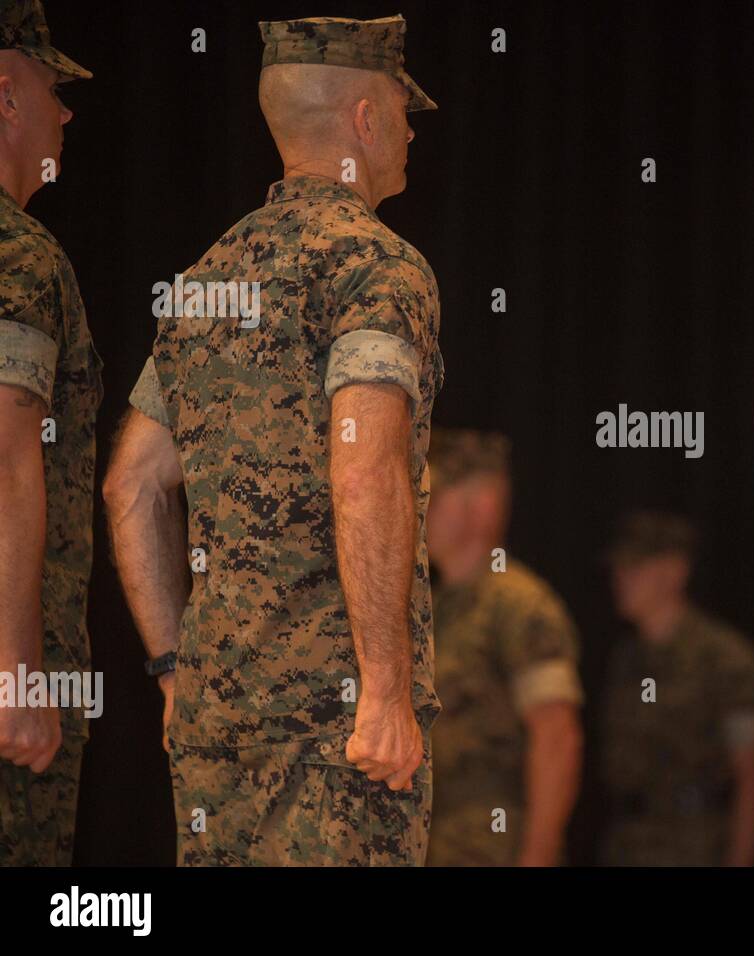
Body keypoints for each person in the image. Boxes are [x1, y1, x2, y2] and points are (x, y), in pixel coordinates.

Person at [101, 14, 443, 865]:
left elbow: (130, 487)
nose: (411, 131)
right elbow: (365, 473)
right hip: (338, 732)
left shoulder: (205, 280)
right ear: (365, 118)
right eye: (404, 110)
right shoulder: (376, 265)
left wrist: (178, 672)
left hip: (220, 722)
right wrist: (385, 694)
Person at [0, 0, 95, 867]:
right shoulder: (19, 257)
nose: (65, 112)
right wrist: (19, 672)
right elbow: (5, 462)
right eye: (51, 87)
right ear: (4, 96)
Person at [423, 429, 584, 866]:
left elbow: (557, 738)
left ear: (481, 507)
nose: (420, 511)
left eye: (433, 498)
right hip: (435, 837)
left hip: (494, 844)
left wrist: (538, 854)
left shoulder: (520, 604)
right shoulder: (435, 605)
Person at [600, 512, 754, 866]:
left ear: (674, 571)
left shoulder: (722, 658)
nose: (621, 579)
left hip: (696, 848)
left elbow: (752, 778)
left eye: (636, 568)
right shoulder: (626, 658)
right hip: (628, 848)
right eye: (619, 568)